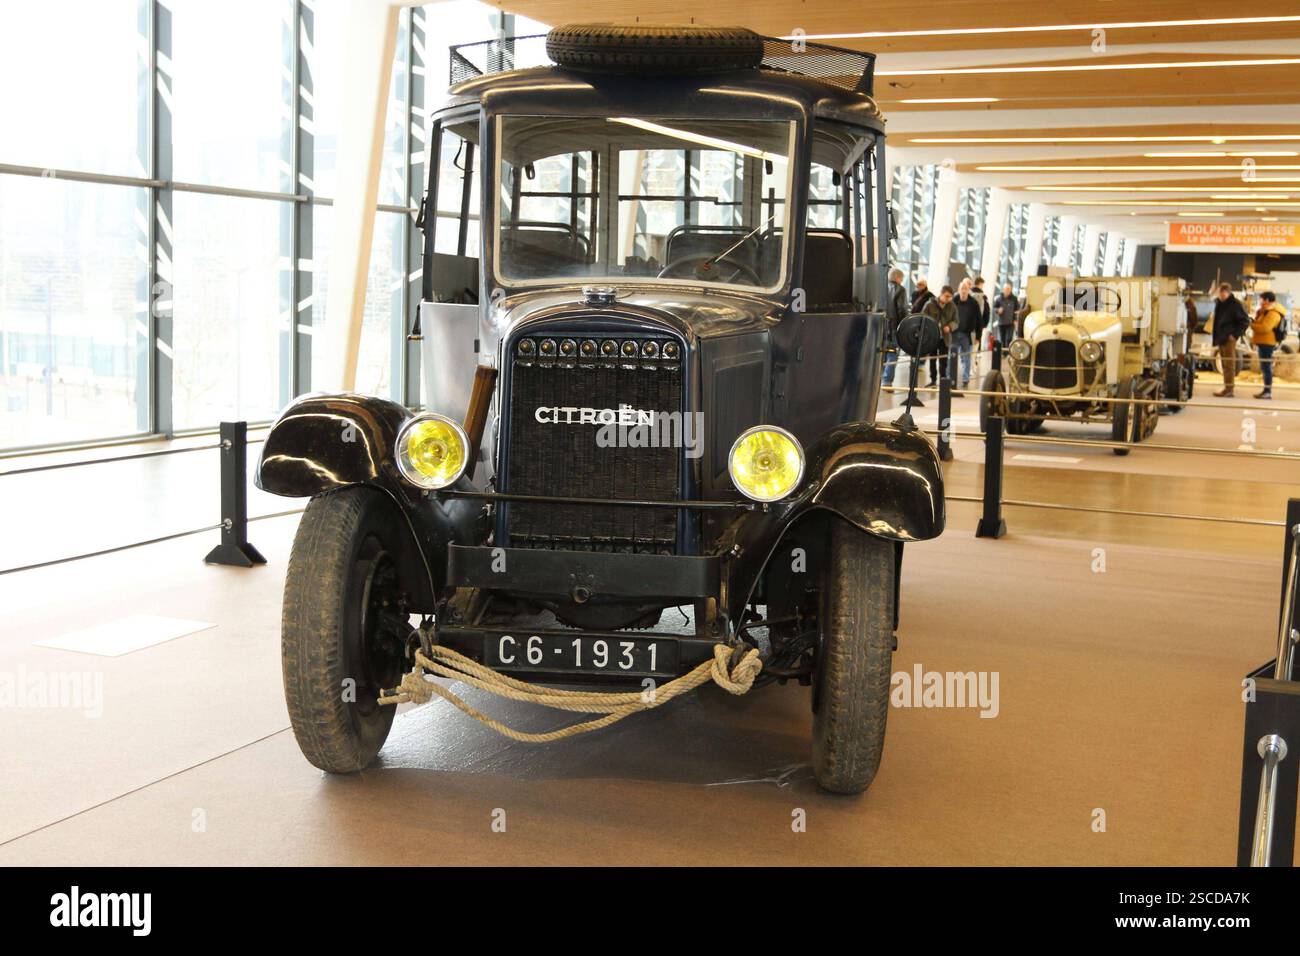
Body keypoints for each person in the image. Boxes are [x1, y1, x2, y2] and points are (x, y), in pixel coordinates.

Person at [1211, 282, 1251, 397]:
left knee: (1229, 364)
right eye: (1220, 293)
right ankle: (1227, 387)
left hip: (1229, 338)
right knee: (1224, 364)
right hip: (1221, 337)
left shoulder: (1235, 304)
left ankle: (1229, 389)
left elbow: (1245, 321)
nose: (1221, 295)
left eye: (1223, 293)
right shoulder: (1219, 304)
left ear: (1228, 292)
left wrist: (1235, 334)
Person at [1251, 291, 1286, 400]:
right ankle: (1266, 390)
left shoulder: (1273, 313)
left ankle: (1267, 391)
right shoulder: (1265, 311)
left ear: (1266, 300)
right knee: (1265, 367)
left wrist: (1252, 325)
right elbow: (1261, 323)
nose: (1260, 302)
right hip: (1263, 342)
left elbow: (1265, 327)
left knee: (1266, 367)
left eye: (1261, 299)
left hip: (1268, 343)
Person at [922, 285, 957, 385]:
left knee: (943, 360)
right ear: (941, 294)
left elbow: (956, 321)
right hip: (932, 338)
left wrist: (950, 327)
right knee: (932, 360)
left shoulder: (952, 306)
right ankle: (933, 380)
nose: (948, 299)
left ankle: (943, 380)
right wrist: (929, 329)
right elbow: (923, 318)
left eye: (950, 297)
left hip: (945, 339)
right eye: (946, 296)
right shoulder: (929, 304)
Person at [950, 278, 982, 388]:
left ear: (969, 290)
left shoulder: (974, 303)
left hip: (966, 334)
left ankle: (965, 378)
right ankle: (950, 377)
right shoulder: (954, 301)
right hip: (953, 333)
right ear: (958, 290)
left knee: (966, 357)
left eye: (966, 289)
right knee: (952, 357)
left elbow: (979, 320)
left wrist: (978, 336)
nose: (963, 291)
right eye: (962, 289)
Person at [882, 268, 908, 387]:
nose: (902, 281)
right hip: (894, 327)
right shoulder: (900, 290)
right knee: (892, 353)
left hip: (881, 328)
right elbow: (902, 309)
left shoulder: (881, 288)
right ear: (897, 278)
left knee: (882, 353)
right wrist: (905, 324)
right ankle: (887, 381)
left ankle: (878, 379)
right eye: (901, 278)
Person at [992, 282, 1019, 348]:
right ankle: (1003, 353)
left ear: (1011, 290)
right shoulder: (999, 299)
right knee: (1002, 340)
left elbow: (1017, 310)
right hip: (1001, 323)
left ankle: (1008, 353)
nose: (1007, 290)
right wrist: (998, 310)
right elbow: (994, 308)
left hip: (1011, 323)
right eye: (1006, 289)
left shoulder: (1014, 299)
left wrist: (1016, 320)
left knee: (1009, 339)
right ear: (1003, 289)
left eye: (1009, 289)